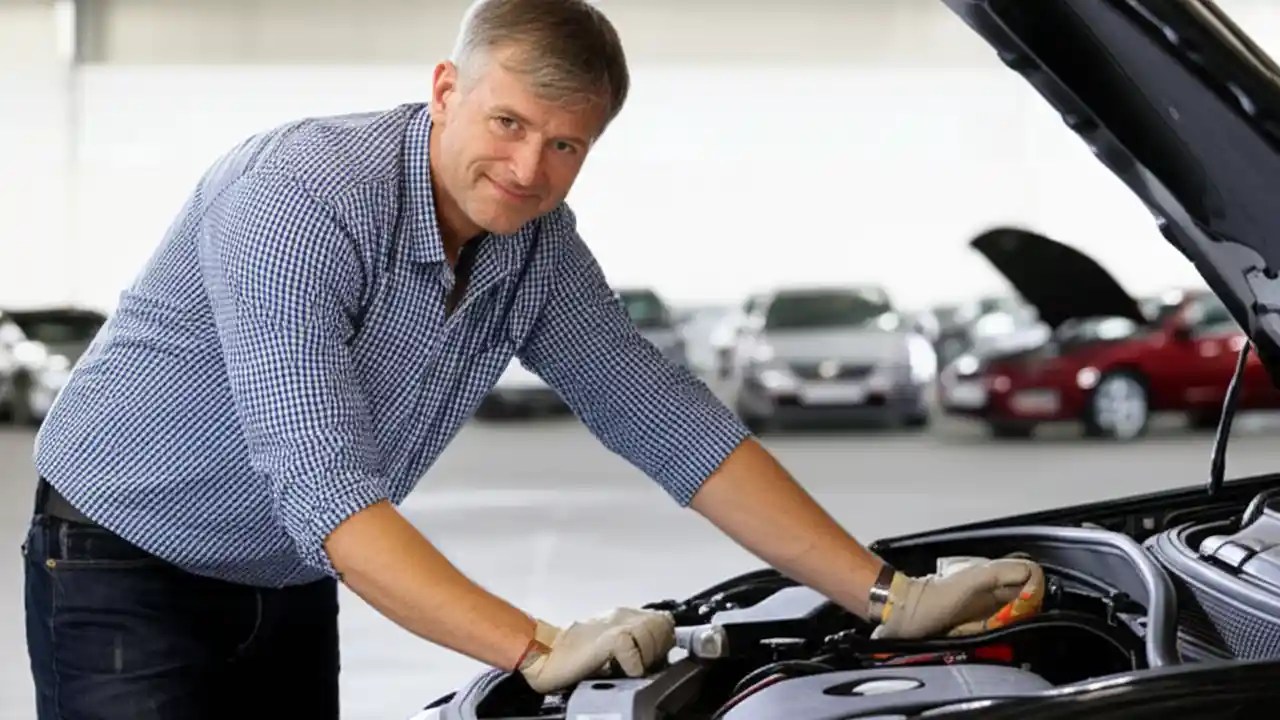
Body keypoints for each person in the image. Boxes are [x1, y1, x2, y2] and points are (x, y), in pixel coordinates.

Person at [21, 0, 1044, 718]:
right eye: (507, 123)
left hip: (286, 579)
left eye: (565, 146)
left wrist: (888, 595)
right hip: (126, 566)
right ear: (443, 90)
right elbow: (326, 490)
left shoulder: (532, 245)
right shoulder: (300, 199)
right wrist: (536, 648)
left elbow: (667, 420)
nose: (526, 169)